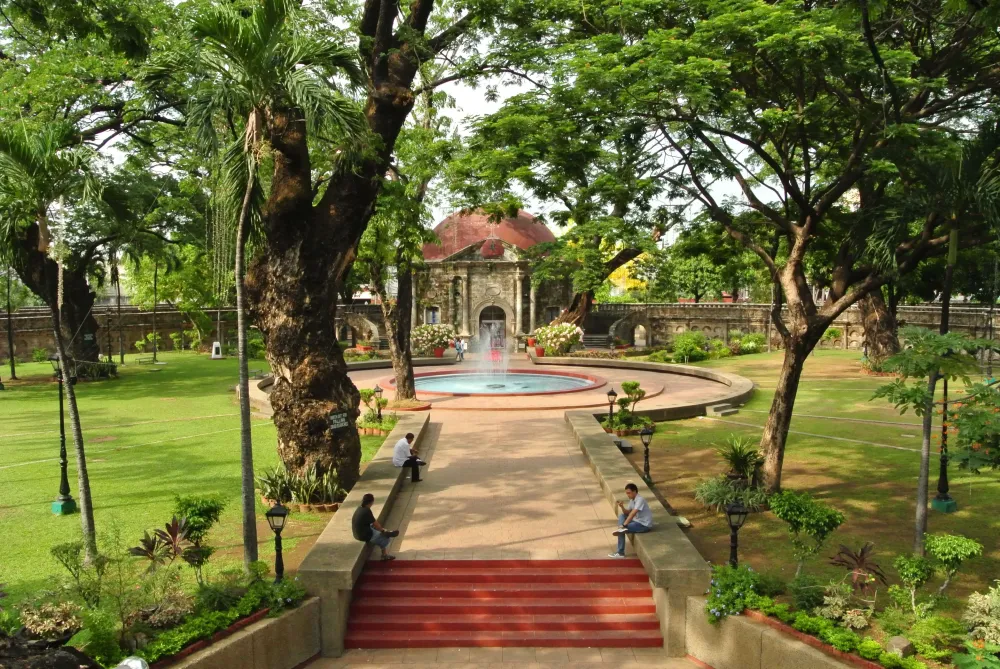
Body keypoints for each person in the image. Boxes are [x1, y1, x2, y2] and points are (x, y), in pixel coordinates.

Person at [609, 482, 654, 558]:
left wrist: (624, 525)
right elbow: (627, 512)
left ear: (634, 491)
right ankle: (621, 529)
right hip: (637, 521)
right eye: (627, 493)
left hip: (644, 525)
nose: (628, 495)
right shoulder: (632, 500)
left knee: (622, 530)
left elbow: (633, 513)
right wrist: (622, 507)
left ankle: (620, 552)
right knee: (622, 516)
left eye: (629, 493)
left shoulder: (640, 500)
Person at [351, 493, 399, 561]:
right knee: (386, 538)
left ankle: (386, 532)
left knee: (373, 526)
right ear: (371, 502)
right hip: (364, 535)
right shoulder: (367, 511)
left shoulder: (359, 508)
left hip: (356, 534)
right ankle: (384, 555)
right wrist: (382, 531)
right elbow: (376, 524)